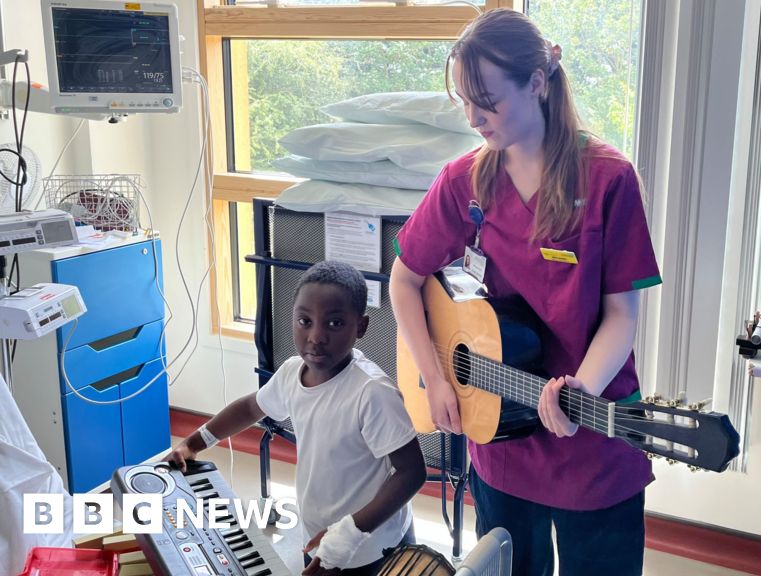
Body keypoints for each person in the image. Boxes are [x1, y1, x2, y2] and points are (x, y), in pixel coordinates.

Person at [389, 8, 662, 576]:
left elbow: (621, 317)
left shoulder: (608, 179)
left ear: (537, 82)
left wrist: (578, 392)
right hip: (502, 435)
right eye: (464, 100)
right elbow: (405, 279)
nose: (473, 117)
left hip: (590, 428)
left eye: (487, 100)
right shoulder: (464, 180)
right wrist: (436, 377)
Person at [168, 260, 425, 576]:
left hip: (370, 545)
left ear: (360, 327)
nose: (316, 337)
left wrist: (347, 536)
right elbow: (252, 407)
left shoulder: (372, 393)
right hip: (320, 535)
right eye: (305, 321)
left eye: (334, 324)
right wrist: (195, 442)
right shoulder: (293, 372)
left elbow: (411, 473)